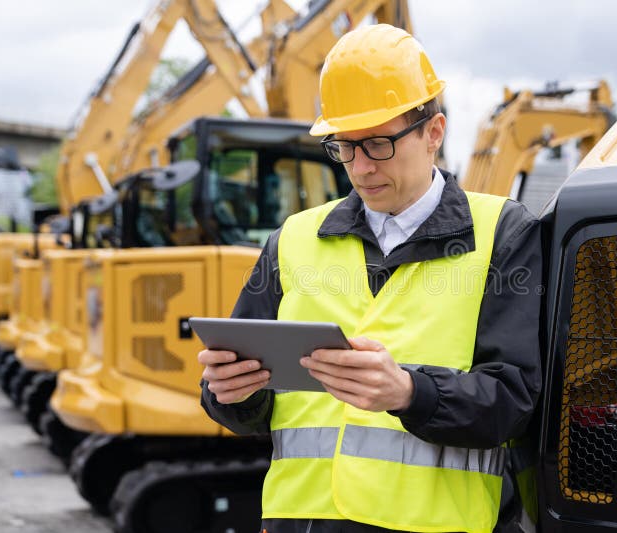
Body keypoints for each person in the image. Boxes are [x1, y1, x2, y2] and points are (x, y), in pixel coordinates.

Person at [199, 23, 542, 533]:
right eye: (344, 146)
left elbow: (517, 403)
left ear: (434, 132)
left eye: (379, 144)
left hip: (433, 525)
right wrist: (228, 393)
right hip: (302, 521)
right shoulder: (293, 239)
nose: (360, 168)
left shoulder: (503, 233)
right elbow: (248, 408)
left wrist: (409, 392)